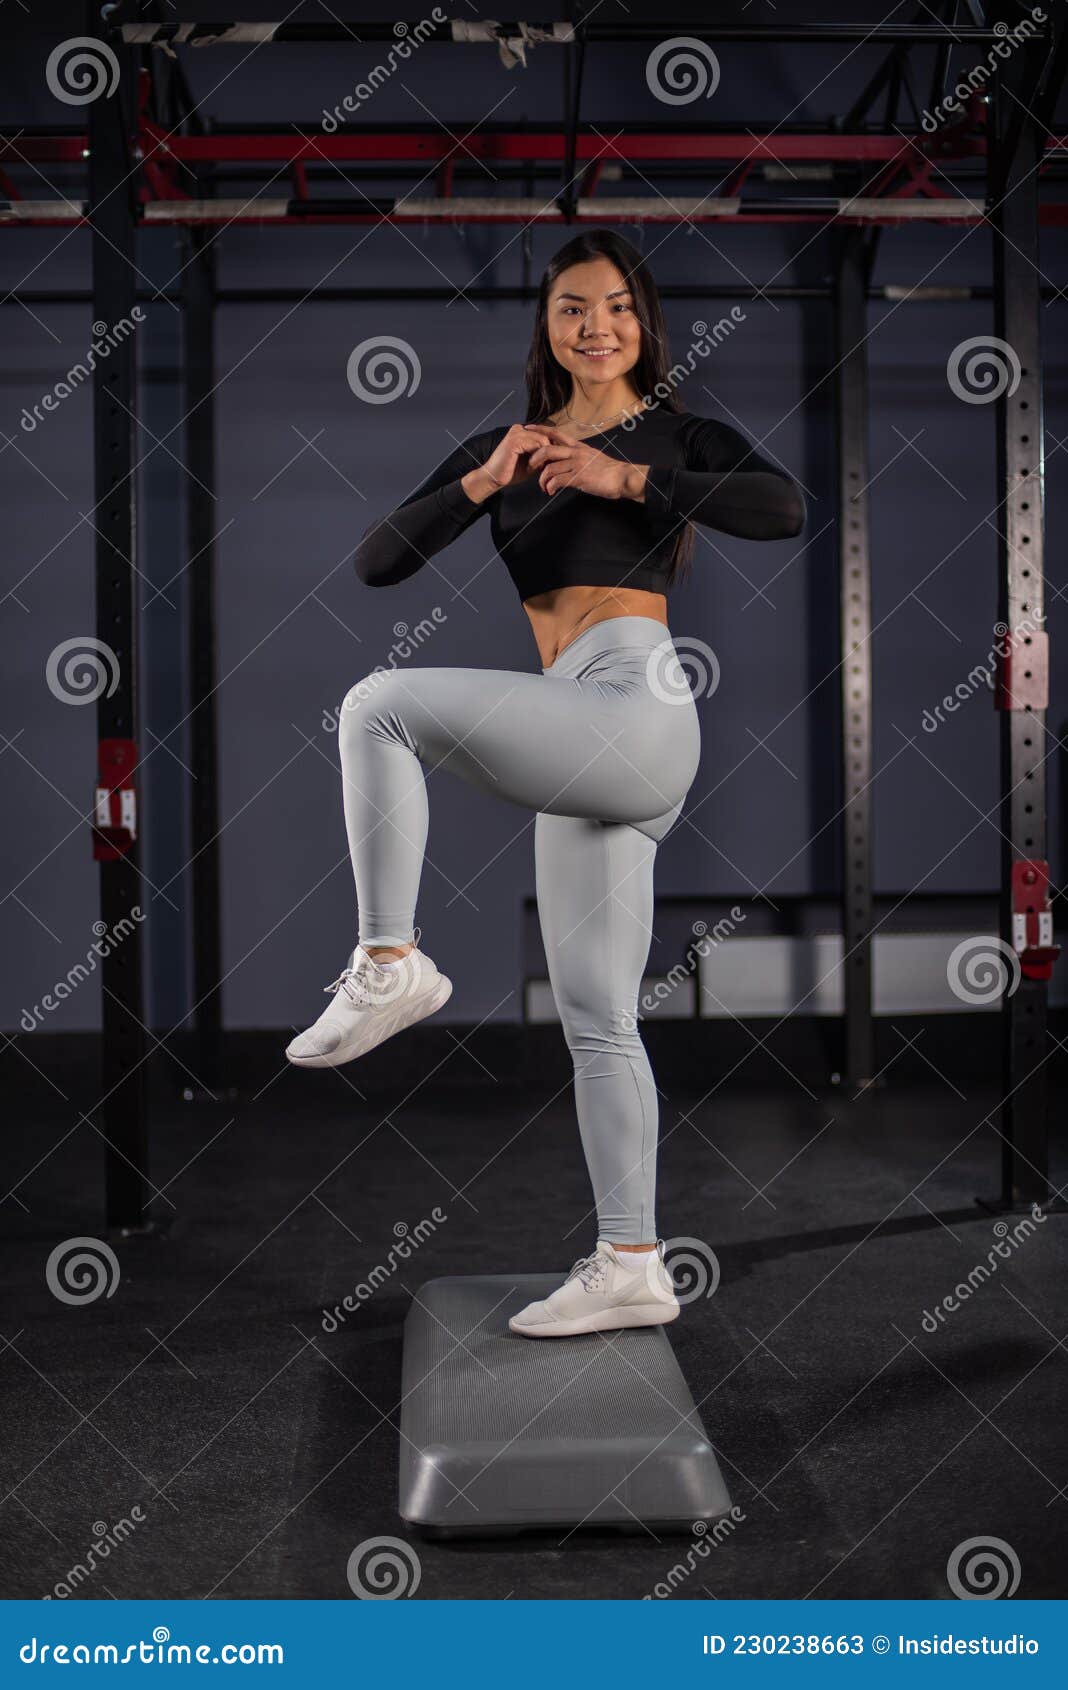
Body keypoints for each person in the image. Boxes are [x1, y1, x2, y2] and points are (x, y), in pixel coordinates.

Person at [286, 229, 805, 1337]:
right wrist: (480, 480)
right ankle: (632, 1262)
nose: (597, 325)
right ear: (550, 326)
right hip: (581, 728)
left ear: (642, 322)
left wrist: (632, 476)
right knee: (600, 1021)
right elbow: (381, 562)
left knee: (381, 707)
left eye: (616, 306)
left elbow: (782, 506)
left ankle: (390, 961)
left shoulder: (678, 431)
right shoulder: (506, 446)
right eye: (573, 307)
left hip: (636, 701)